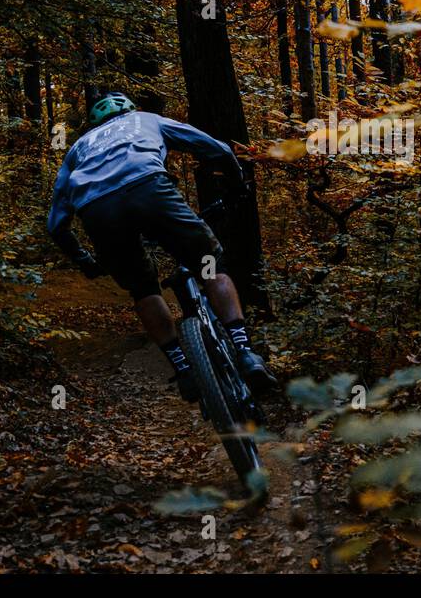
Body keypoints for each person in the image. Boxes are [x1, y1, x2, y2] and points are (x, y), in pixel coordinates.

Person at [46, 92, 275, 401]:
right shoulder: (146, 120)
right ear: (130, 109)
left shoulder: (78, 148)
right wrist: (236, 185)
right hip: (148, 188)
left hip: (98, 211)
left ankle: (184, 371)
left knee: (143, 290)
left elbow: (56, 224)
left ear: (94, 122)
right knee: (210, 264)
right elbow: (216, 149)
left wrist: (83, 259)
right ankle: (246, 353)